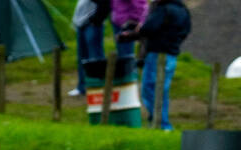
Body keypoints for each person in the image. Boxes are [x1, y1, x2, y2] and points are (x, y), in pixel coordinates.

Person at [119, 0, 191, 132]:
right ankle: (161, 122)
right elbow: (186, 30)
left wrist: (133, 33)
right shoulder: (182, 10)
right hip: (171, 54)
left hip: (157, 54)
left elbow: (149, 28)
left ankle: (161, 123)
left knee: (149, 89)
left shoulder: (163, 9)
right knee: (162, 90)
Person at [69, 0, 110, 95]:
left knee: (95, 57)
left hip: (92, 25)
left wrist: (96, 20)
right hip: (81, 24)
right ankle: (82, 87)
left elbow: (105, 4)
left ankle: (99, 85)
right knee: (82, 57)